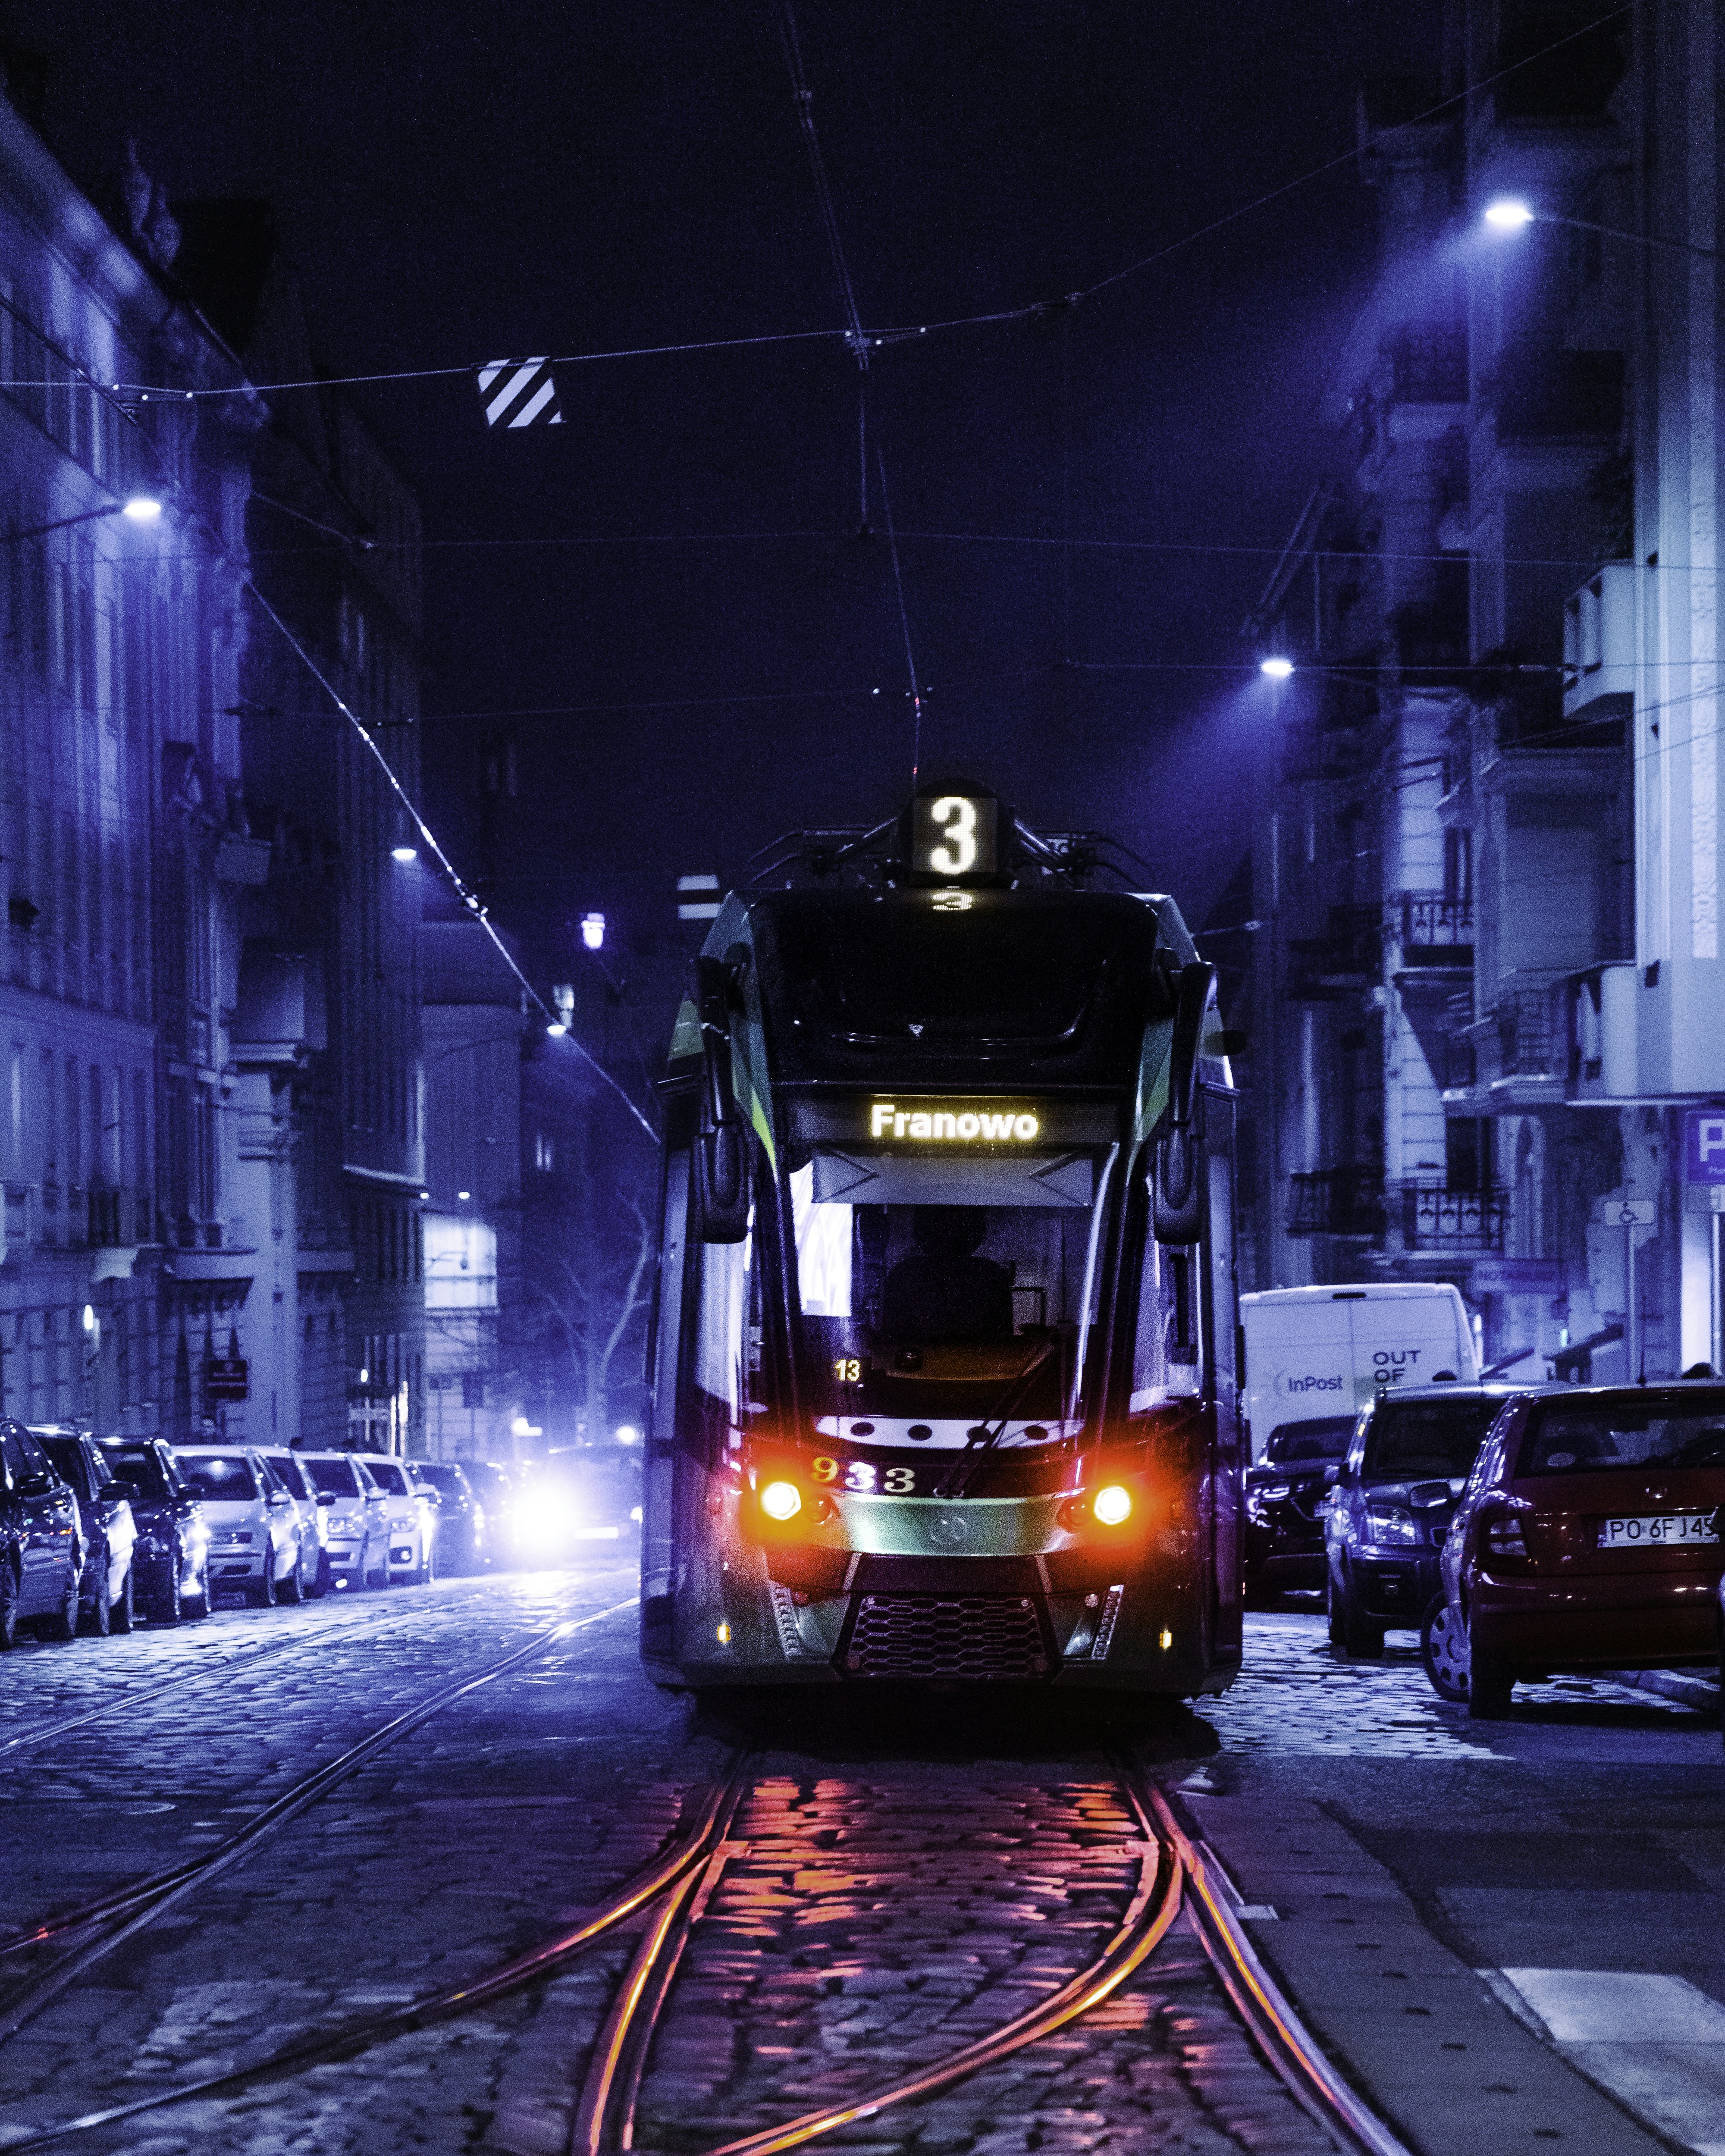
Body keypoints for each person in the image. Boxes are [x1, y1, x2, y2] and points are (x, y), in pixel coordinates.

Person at [881, 1208, 1014, 1342]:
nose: (948, 1234)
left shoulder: (905, 1274)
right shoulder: (991, 1274)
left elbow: (890, 1338)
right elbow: (1003, 1339)